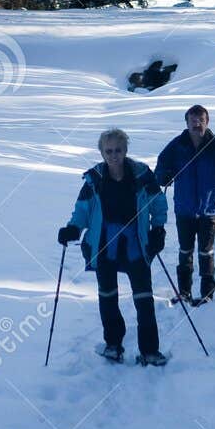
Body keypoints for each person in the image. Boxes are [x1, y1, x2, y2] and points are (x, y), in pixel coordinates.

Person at [58, 128, 169, 366]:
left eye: (118, 150)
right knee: (107, 297)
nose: (113, 155)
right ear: (101, 152)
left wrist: (158, 229)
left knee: (144, 298)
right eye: (108, 151)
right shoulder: (94, 179)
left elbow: (158, 203)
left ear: (125, 150)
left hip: (135, 244)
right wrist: (73, 228)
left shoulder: (142, 175)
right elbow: (83, 210)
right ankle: (113, 345)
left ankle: (150, 350)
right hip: (104, 245)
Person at [154, 105, 215, 305]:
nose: (197, 124)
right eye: (193, 120)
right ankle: (184, 292)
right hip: (184, 209)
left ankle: (207, 294)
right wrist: (164, 176)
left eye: (201, 120)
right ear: (186, 123)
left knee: (206, 251)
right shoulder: (176, 146)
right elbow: (160, 168)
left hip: (208, 210)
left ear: (207, 122)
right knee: (185, 251)